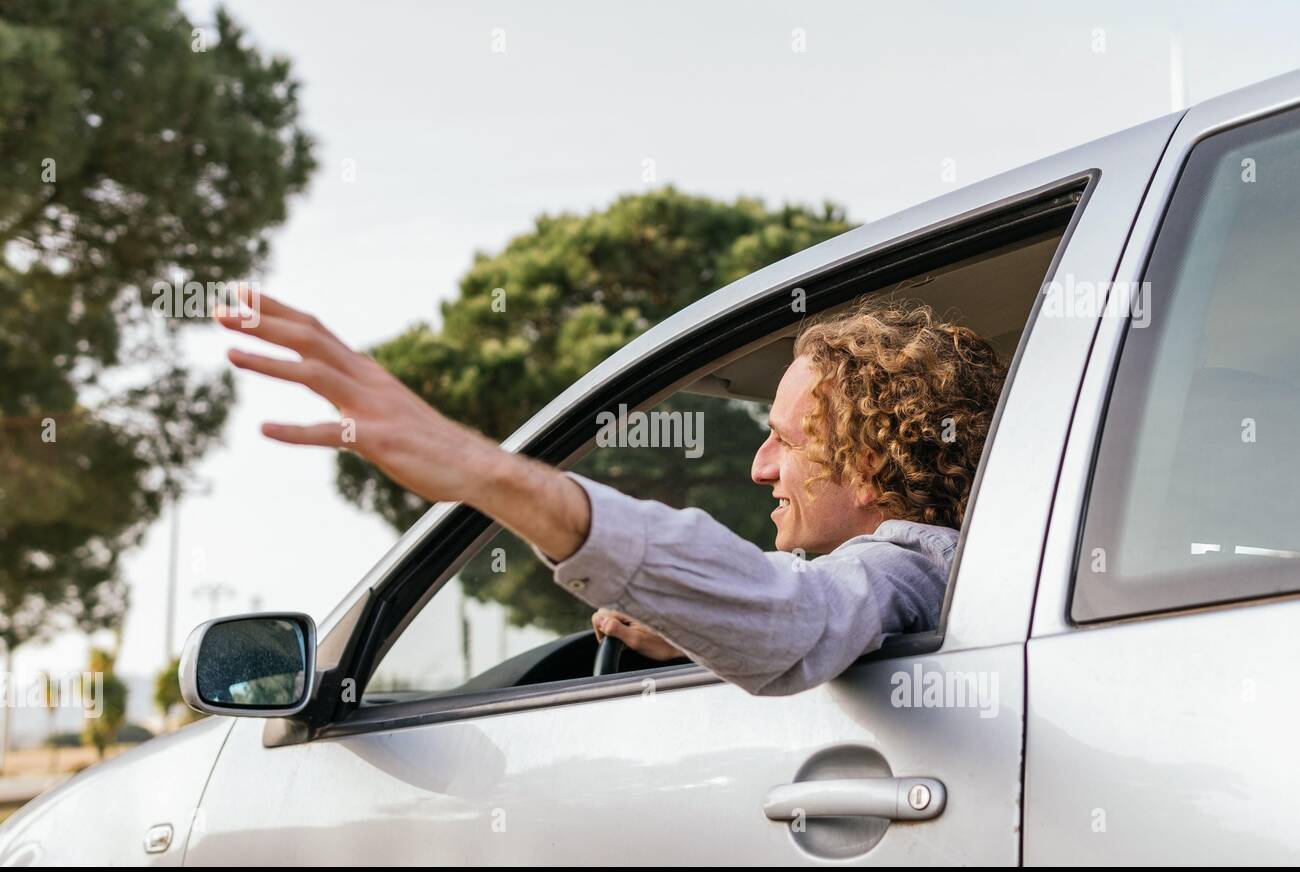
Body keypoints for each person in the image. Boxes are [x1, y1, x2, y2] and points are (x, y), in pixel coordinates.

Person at [216, 293, 1006, 695]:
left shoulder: (911, 565)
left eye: (787, 441)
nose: (761, 467)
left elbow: (801, 620)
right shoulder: (961, 578)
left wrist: (488, 472)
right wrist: (685, 631)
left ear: (869, 467)